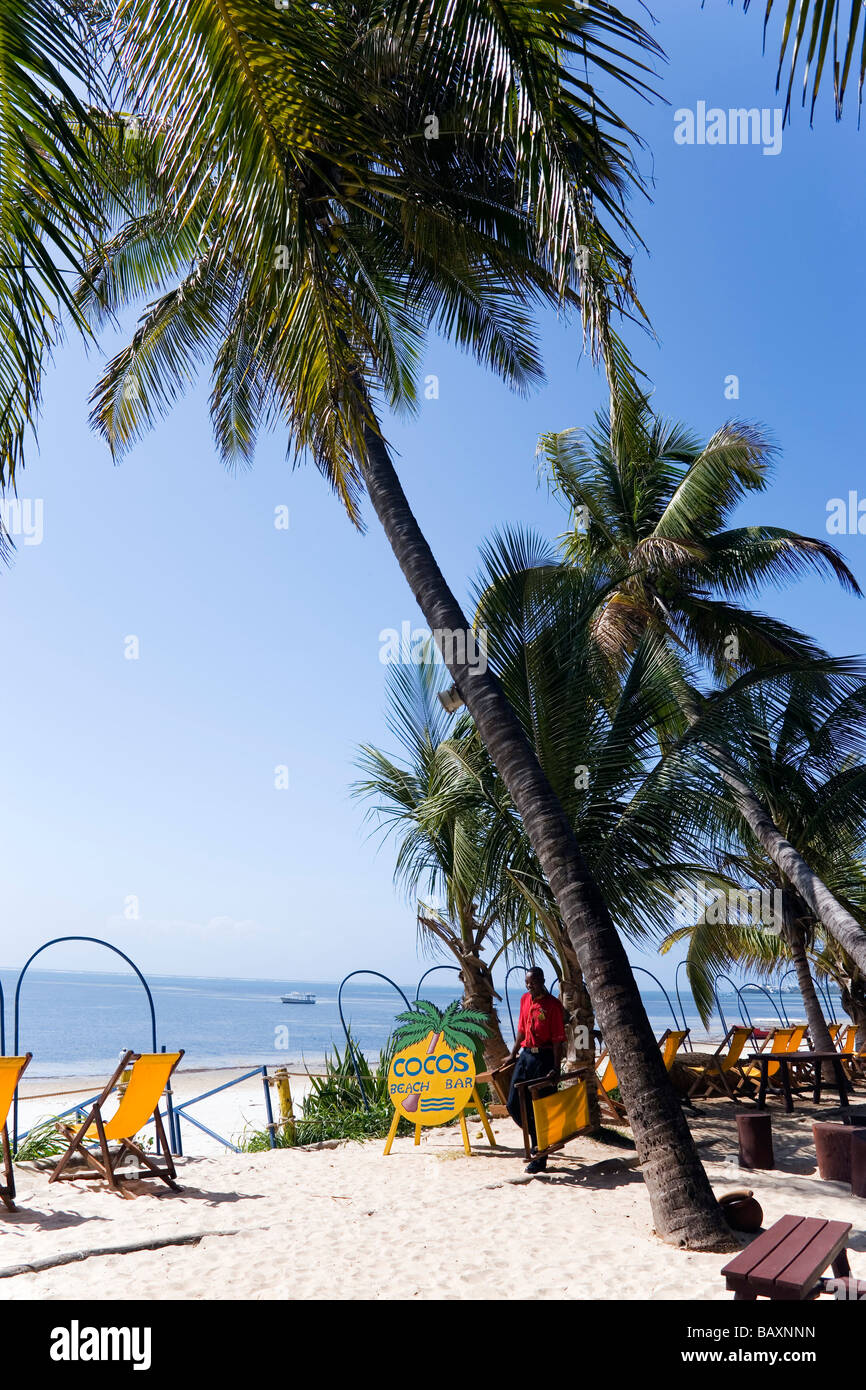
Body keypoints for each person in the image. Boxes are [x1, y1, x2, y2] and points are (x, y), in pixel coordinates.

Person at [505, 967, 565, 1172]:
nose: (530, 985)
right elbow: (522, 1030)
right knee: (513, 1104)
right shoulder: (524, 1000)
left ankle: (540, 1158)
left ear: (542, 980)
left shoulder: (553, 1006)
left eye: (534, 982)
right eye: (527, 982)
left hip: (545, 1059)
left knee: (540, 1108)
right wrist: (513, 1054)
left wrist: (556, 1068)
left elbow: (558, 1040)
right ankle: (537, 1140)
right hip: (526, 1056)